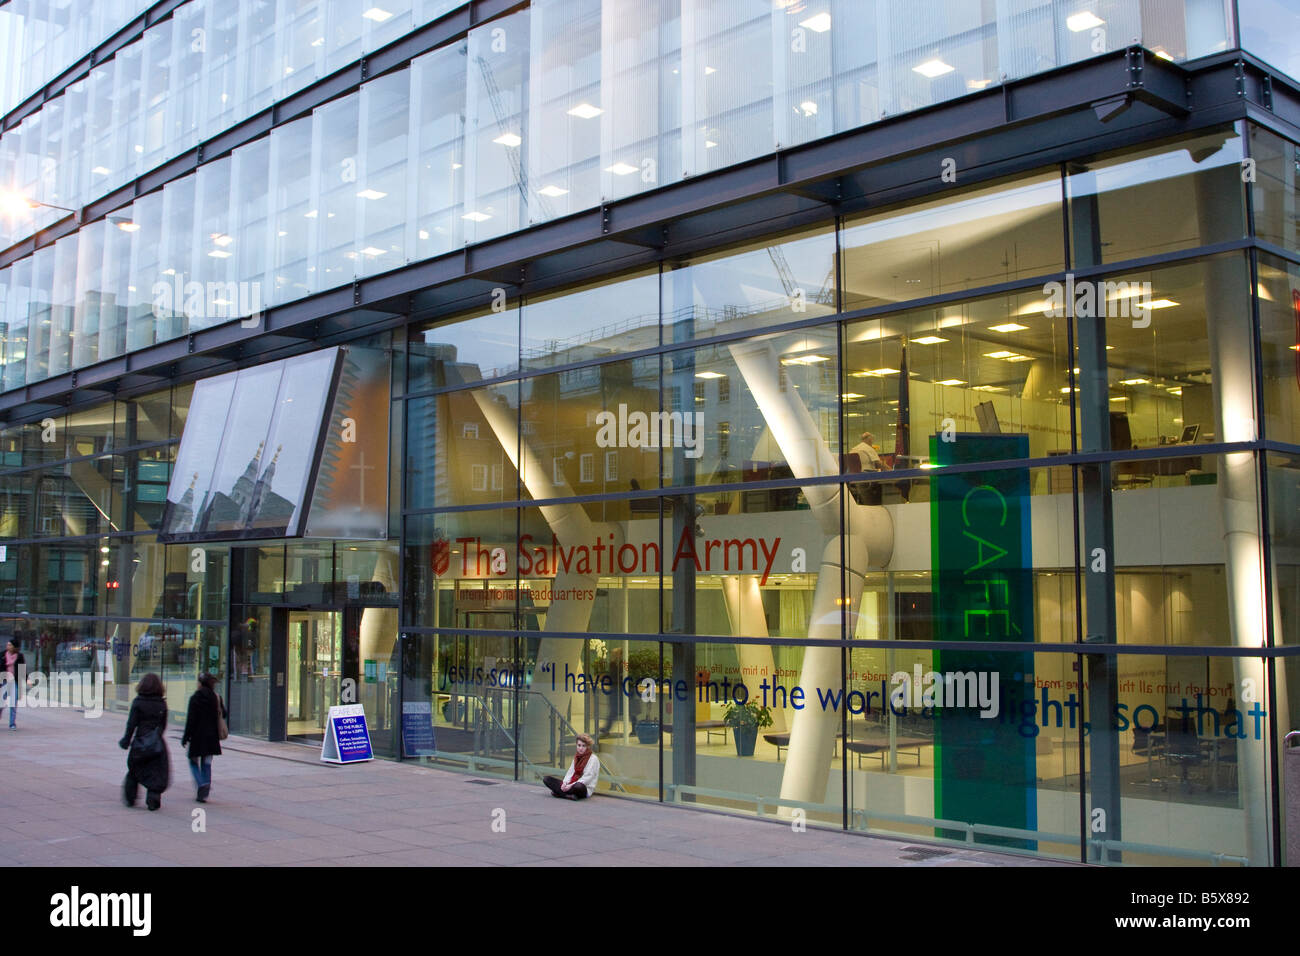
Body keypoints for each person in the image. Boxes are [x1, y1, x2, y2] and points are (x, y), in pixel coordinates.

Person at [119, 673, 170, 811]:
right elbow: (163, 724)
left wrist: (126, 740)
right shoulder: (162, 703)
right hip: (156, 742)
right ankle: (153, 797)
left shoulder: (138, 702)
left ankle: (130, 797)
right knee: (155, 771)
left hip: (140, 741)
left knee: (135, 769)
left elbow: (132, 724)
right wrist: (156, 736)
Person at [181, 672, 227, 803]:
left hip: (197, 737)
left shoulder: (195, 698)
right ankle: (205, 785)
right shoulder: (216, 697)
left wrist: (185, 737)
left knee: (193, 761)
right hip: (211, 737)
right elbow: (224, 714)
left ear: (200, 683)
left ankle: (201, 783)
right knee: (207, 763)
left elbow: (191, 720)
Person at [543, 733, 600, 800]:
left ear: (588, 746)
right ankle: (568, 796)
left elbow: (587, 778)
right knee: (547, 779)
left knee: (578, 786)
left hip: (584, 788)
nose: (581, 748)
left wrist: (570, 786)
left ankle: (560, 794)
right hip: (571, 785)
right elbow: (570, 773)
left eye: (583, 746)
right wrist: (565, 783)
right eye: (579, 745)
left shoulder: (593, 759)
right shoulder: (577, 757)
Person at [3, 639, 24, 729]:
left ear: (14, 647)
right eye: (7, 645)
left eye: (10, 645)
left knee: (13, 703)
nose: (8, 646)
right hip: (3, 681)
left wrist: (27, 679)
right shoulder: (2, 655)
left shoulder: (19, 656)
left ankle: (12, 723)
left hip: (14, 682)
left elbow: (22, 670)